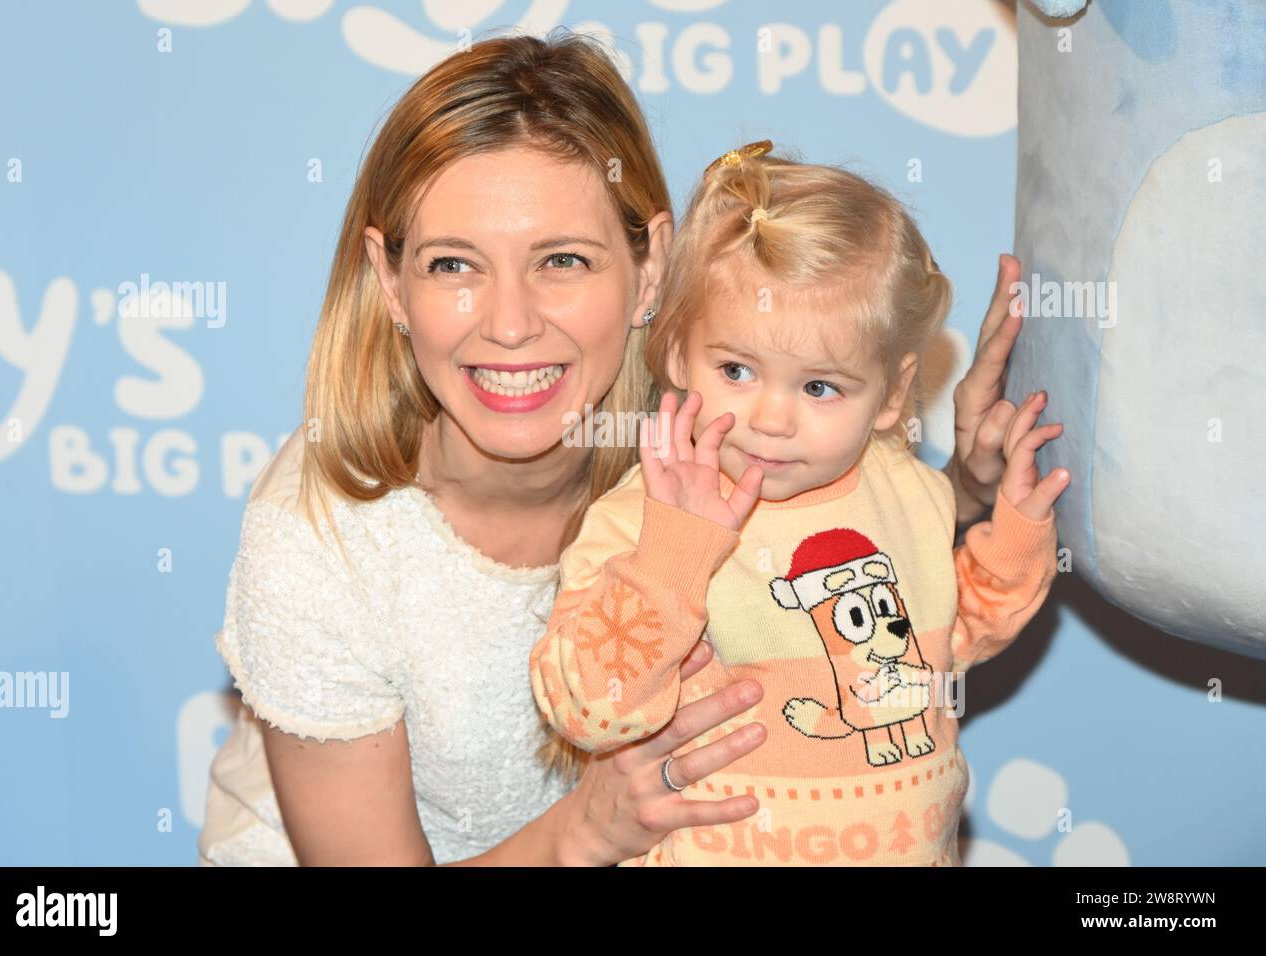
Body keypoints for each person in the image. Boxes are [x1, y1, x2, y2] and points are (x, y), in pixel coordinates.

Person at [198, 32, 1034, 866]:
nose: (512, 324)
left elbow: (831, 543)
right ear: (390, 282)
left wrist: (967, 482)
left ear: (650, 266)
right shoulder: (319, 538)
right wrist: (584, 832)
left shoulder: (719, 421)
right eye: (455, 265)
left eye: (562, 260)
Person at [529, 143, 1068, 866]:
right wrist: (675, 553)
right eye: (737, 370)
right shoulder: (641, 520)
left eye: (819, 386)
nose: (772, 420)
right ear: (679, 355)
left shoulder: (905, 488)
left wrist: (1017, 536)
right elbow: (585, 707)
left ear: (893, 393)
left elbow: (949, 640)